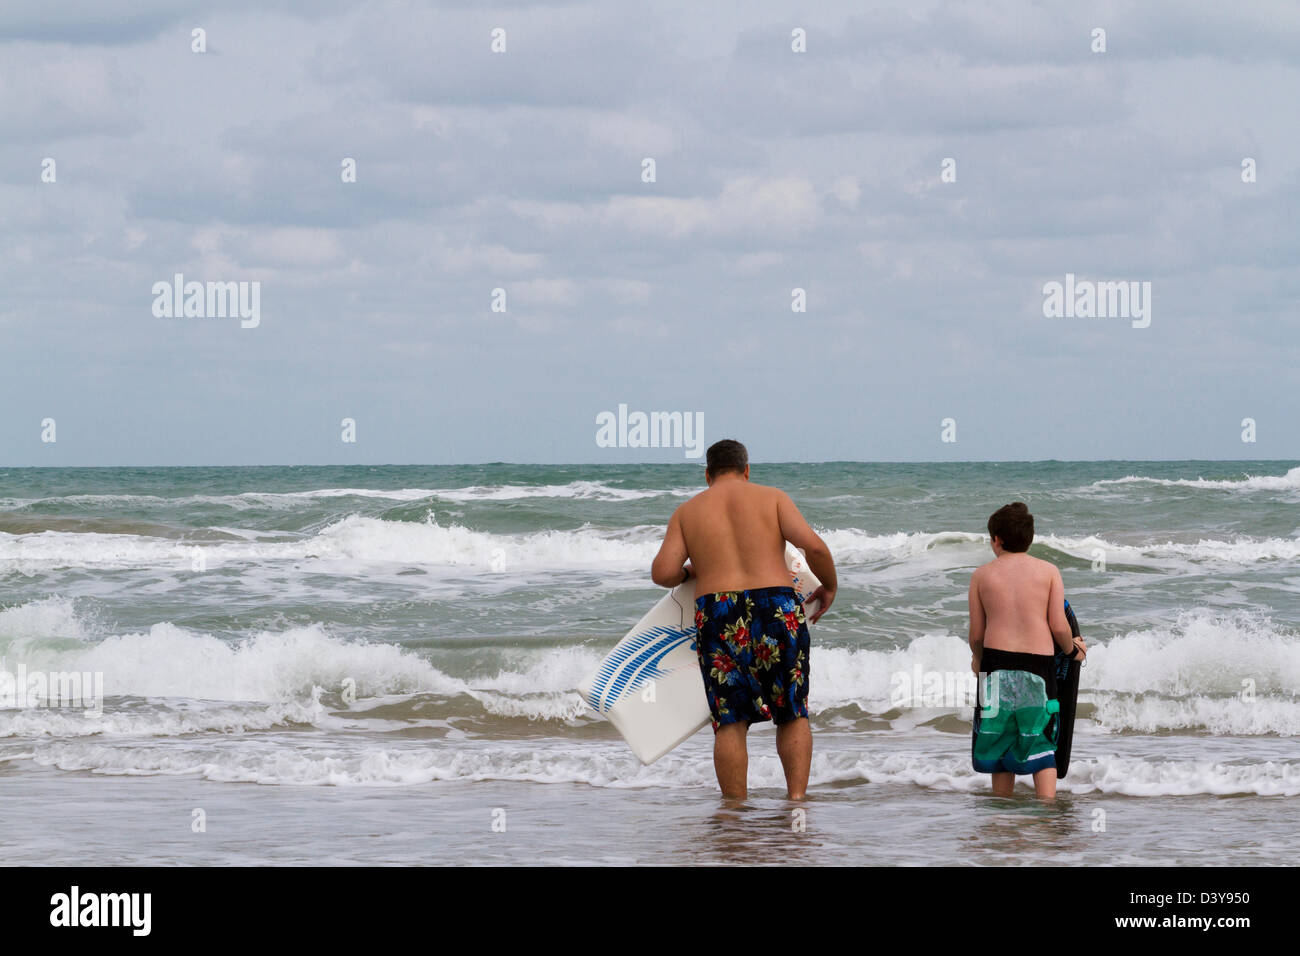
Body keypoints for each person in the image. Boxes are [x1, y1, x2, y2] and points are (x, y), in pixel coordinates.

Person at [650, 439, 836, 801]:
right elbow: (814, 548)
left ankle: (735, 813)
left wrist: (690, 575)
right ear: (747, 470)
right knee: (792, 711)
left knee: (730, 719)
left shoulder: (687, 513)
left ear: (707, 475)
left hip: (719, 613)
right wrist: (829, 585)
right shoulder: (773, 498)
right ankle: (796, 802)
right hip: (777, 607)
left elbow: (663, 571)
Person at [968, 502, 1086, 799]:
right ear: (1030, 539)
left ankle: (1002, 814)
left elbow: (976, 634)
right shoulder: (1048, 572)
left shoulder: (981, 576)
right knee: (1042, 741)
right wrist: (1073, 651)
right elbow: (1059, 626)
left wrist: (978, 660)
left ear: (996, 539)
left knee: (999, 741)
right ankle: (1046, 810)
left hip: (995, 665)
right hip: (1039, 668)